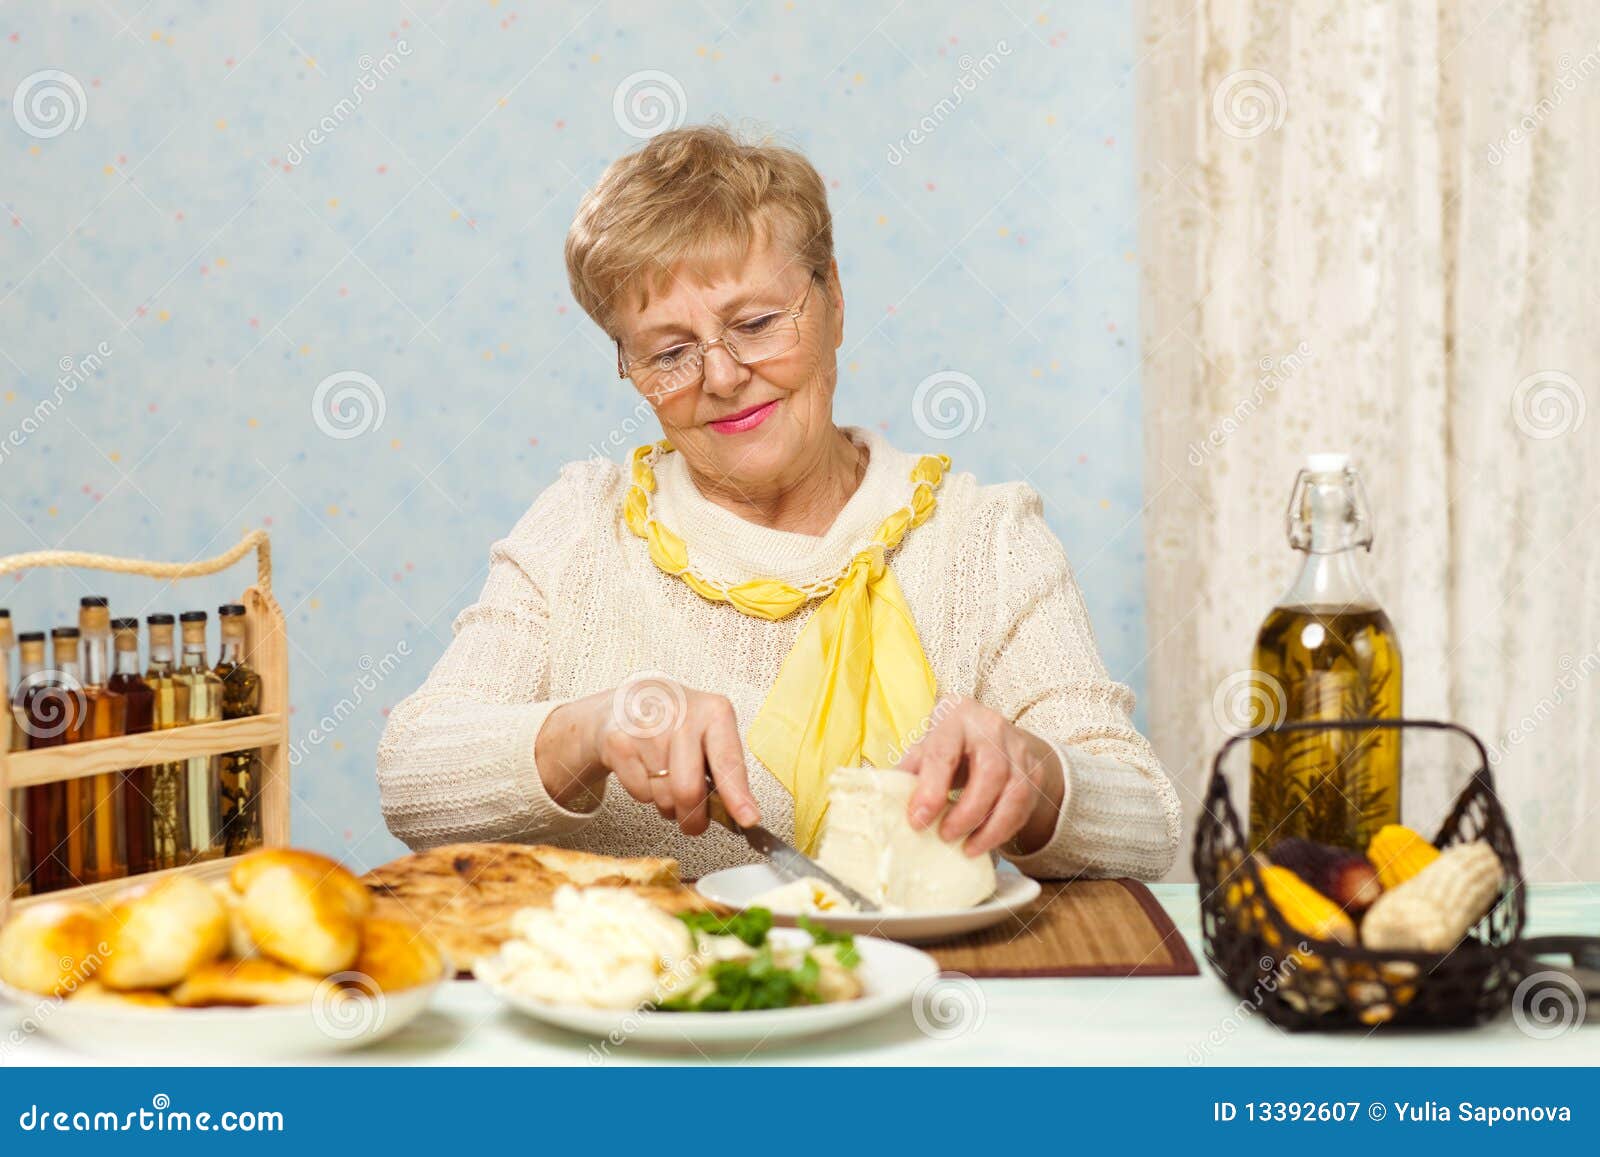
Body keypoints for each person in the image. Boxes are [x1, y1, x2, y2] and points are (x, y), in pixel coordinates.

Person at [377, 125, 1180, 881]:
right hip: (645, 1008)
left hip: (921, 1009)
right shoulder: (582, 524)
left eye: (756, 323)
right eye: (669, 352)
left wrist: (1033, 773)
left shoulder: (984, 539)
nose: (721, 376)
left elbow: (1147, 824)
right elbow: (413, 776)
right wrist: (589, 728)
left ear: (832, 300)